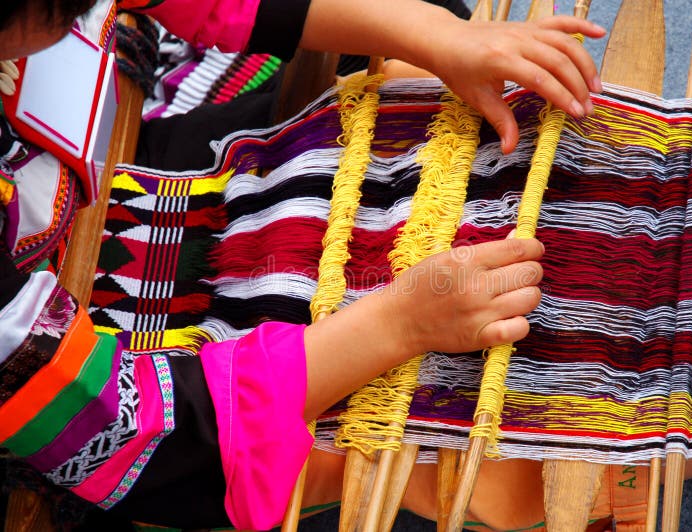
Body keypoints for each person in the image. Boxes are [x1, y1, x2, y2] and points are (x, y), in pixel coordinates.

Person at [0, 0, 608, 529]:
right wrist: (400, 323)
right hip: (98, 380)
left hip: (115, 183)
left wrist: (434, 34)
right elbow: (131, 429)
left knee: (416, 28)